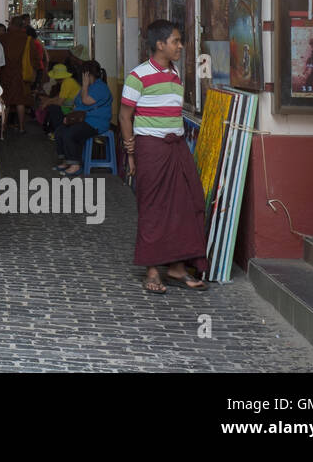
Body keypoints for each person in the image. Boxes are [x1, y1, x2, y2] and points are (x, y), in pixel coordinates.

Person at [119, 20, 208, 294]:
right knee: (154, 209)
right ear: (160, 45)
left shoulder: (176, 72)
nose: (180, 46)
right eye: (176, 41)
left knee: (187, 203)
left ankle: (177, 266)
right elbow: (124, 115)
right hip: (151, 149)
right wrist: (131, 152)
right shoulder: (138, 75)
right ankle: (153, 270)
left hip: (177, 147)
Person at [56, 61, 114, 176]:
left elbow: (85, 101)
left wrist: (85, 85)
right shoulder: (86, 87)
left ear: (87, 75)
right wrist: (70, 117)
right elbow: (77, 102)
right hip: (84, 120)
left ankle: (75, 164)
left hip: (96, 122)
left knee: (70, 133)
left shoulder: (100, 87)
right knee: (60, 131)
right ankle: (67, 160)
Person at [0, 15, 33, 134]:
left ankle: (3, 127)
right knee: (20, 101)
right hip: (20, 72)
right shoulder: (25, 38)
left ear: (11, 24)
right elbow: (32, 57)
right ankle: (22, 127)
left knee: (6, 101)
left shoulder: (4, 37)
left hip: (6, 71)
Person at [39, 62, 81, 140]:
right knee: (51, 105)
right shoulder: (68, 80)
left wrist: (47, 103)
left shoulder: (67, 83)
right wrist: (48, 100)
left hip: (73, 109)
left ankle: (59, 132)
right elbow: (59, 96)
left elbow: (60, 102)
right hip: (72, 105)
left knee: (53, 108)